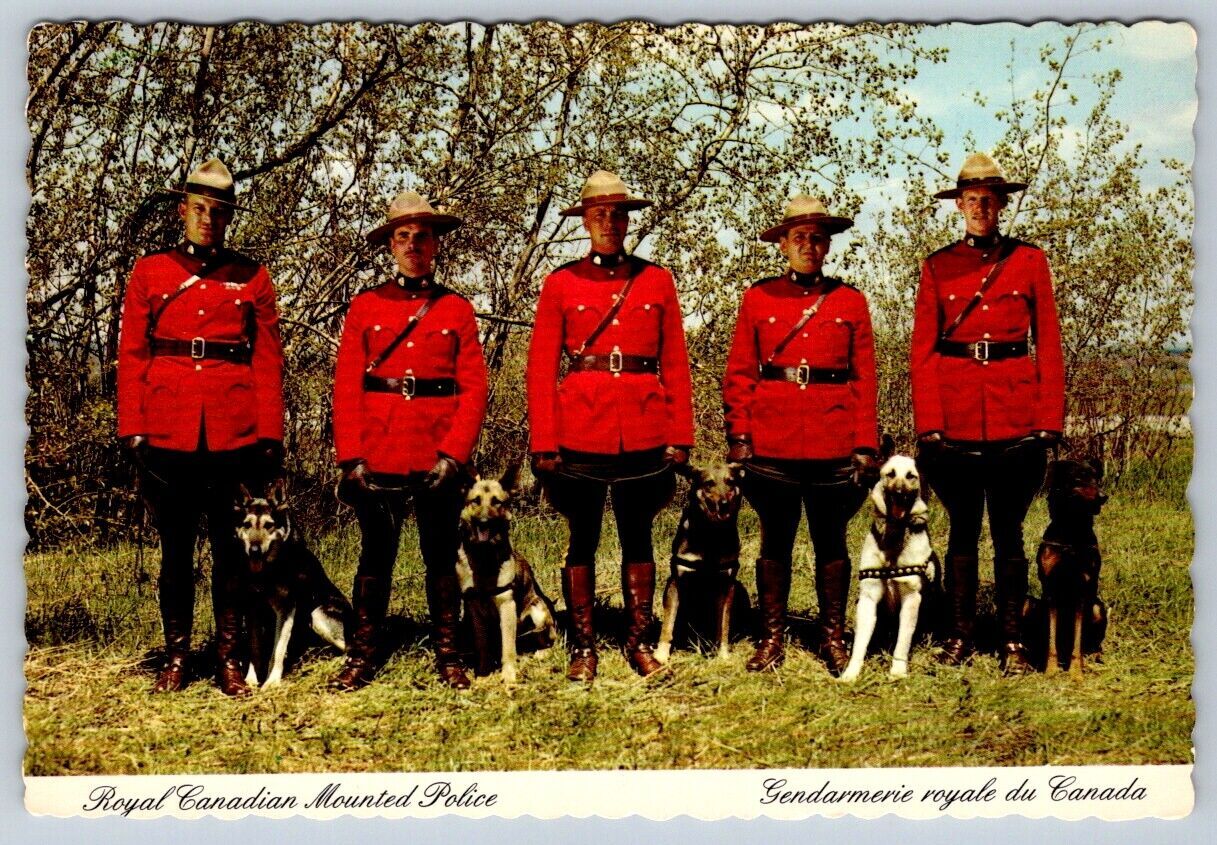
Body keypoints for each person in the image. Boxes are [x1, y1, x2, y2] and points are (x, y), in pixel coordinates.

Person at [117, 158, 284, 696]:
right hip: (168, 429)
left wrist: (269, 434)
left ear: (228, 216)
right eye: (199, 209)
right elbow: (134, 353)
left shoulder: (251, 276)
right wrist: (133, 428)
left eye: (218, 211)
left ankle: (229, 659)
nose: (208, 220)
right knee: (175, 551)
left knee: (230, 550)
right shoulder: (150, 272)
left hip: (231, 431)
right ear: (182, 211)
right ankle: (177, 656)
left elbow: (267, 359)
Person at [527, 170, 695, 681]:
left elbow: (676, 362)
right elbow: (540, 368)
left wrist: (680, 435)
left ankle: (638, 640)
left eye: (616, 215)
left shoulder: (656, 280)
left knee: (638, 536)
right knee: (582, 537)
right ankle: (582, 647)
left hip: (644, 425)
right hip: (581, 428)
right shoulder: (561, 283)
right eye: (598, 215)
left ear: (627, 221)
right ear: (585, 223)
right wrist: (544, 441)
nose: (608, 223)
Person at [910, 152, 1065, 675]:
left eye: (988, 200)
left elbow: (1050, 343)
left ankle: (1013, 643)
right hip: (953, 418)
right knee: (960, 532)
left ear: (1001, 205)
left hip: (1014, 417)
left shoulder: (1029, 262)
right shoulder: (938, 265)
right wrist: (929, 422)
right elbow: (923, 351)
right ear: (959, 206)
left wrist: (1049, 419)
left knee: (1009, 534)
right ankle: (959, 636)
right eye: (970, 199)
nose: (980, 207)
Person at [330, 191, 488, 691]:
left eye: (423, 236)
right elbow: (347, 385)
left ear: (437, 244)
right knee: (375, 556)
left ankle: (448, 651)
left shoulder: (456, 309)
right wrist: (351, 456)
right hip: (380, 448)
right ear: (391, 246)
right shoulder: (366, 305)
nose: (413, 246)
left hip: (435, 450)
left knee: (441, 555)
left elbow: (473, 387)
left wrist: (454, 455)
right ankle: (364, 651)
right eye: (403, 237)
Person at [723, 195, 879, 676]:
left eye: (816, 238)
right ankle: (771, 638)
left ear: (828, 245)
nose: (807, 246)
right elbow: (741, 374)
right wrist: (740, 437)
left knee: (831, 543)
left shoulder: (849, 301)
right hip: (774, 440)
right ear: (783, 245)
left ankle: (832, 636)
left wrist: (864, 444)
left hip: (833, 439)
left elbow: (864, 378)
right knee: (775, 542)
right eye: (798, 238)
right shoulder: (759, 298)